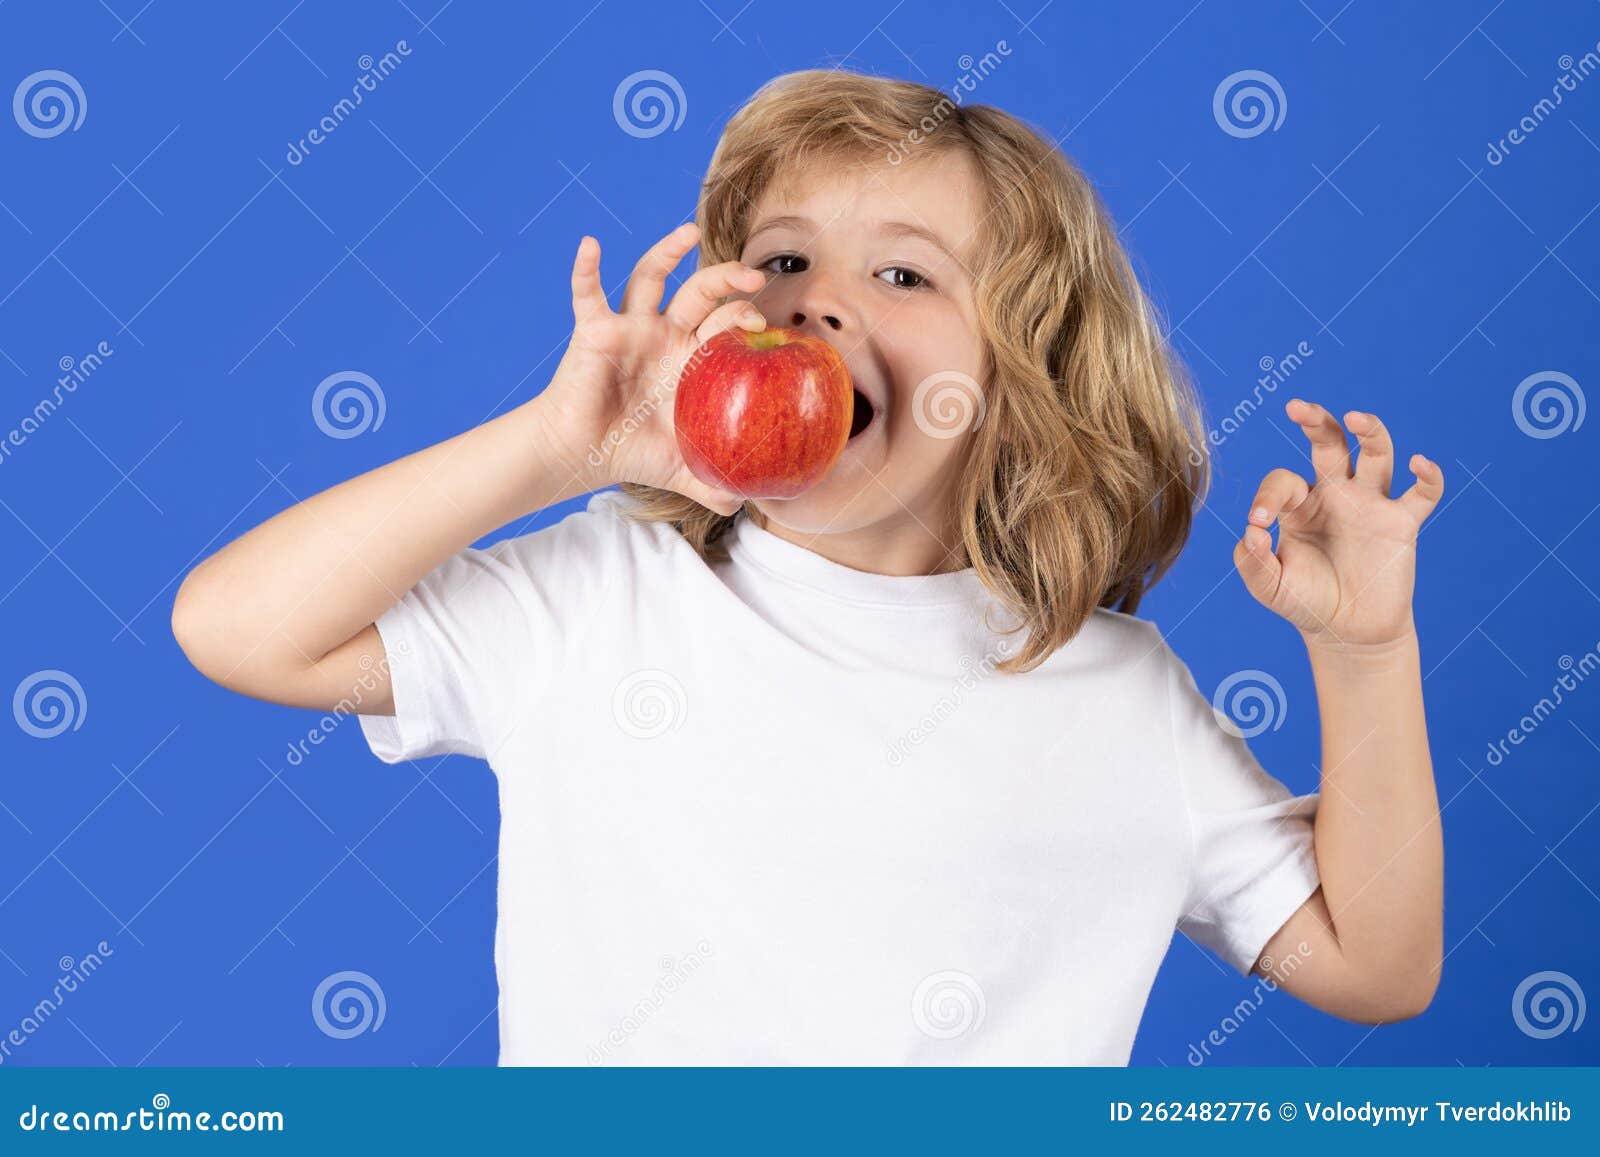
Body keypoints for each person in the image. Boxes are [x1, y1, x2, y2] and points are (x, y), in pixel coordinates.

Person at [172, 70, 1446, 1065]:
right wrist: (556, 450)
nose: (815, 303)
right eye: (783, 259)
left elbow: (1377, 966)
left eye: (901, 271)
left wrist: (1363, 649)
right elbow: (239, 627)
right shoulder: (600, 589)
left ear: (1027, 376)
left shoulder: (1117, 691)